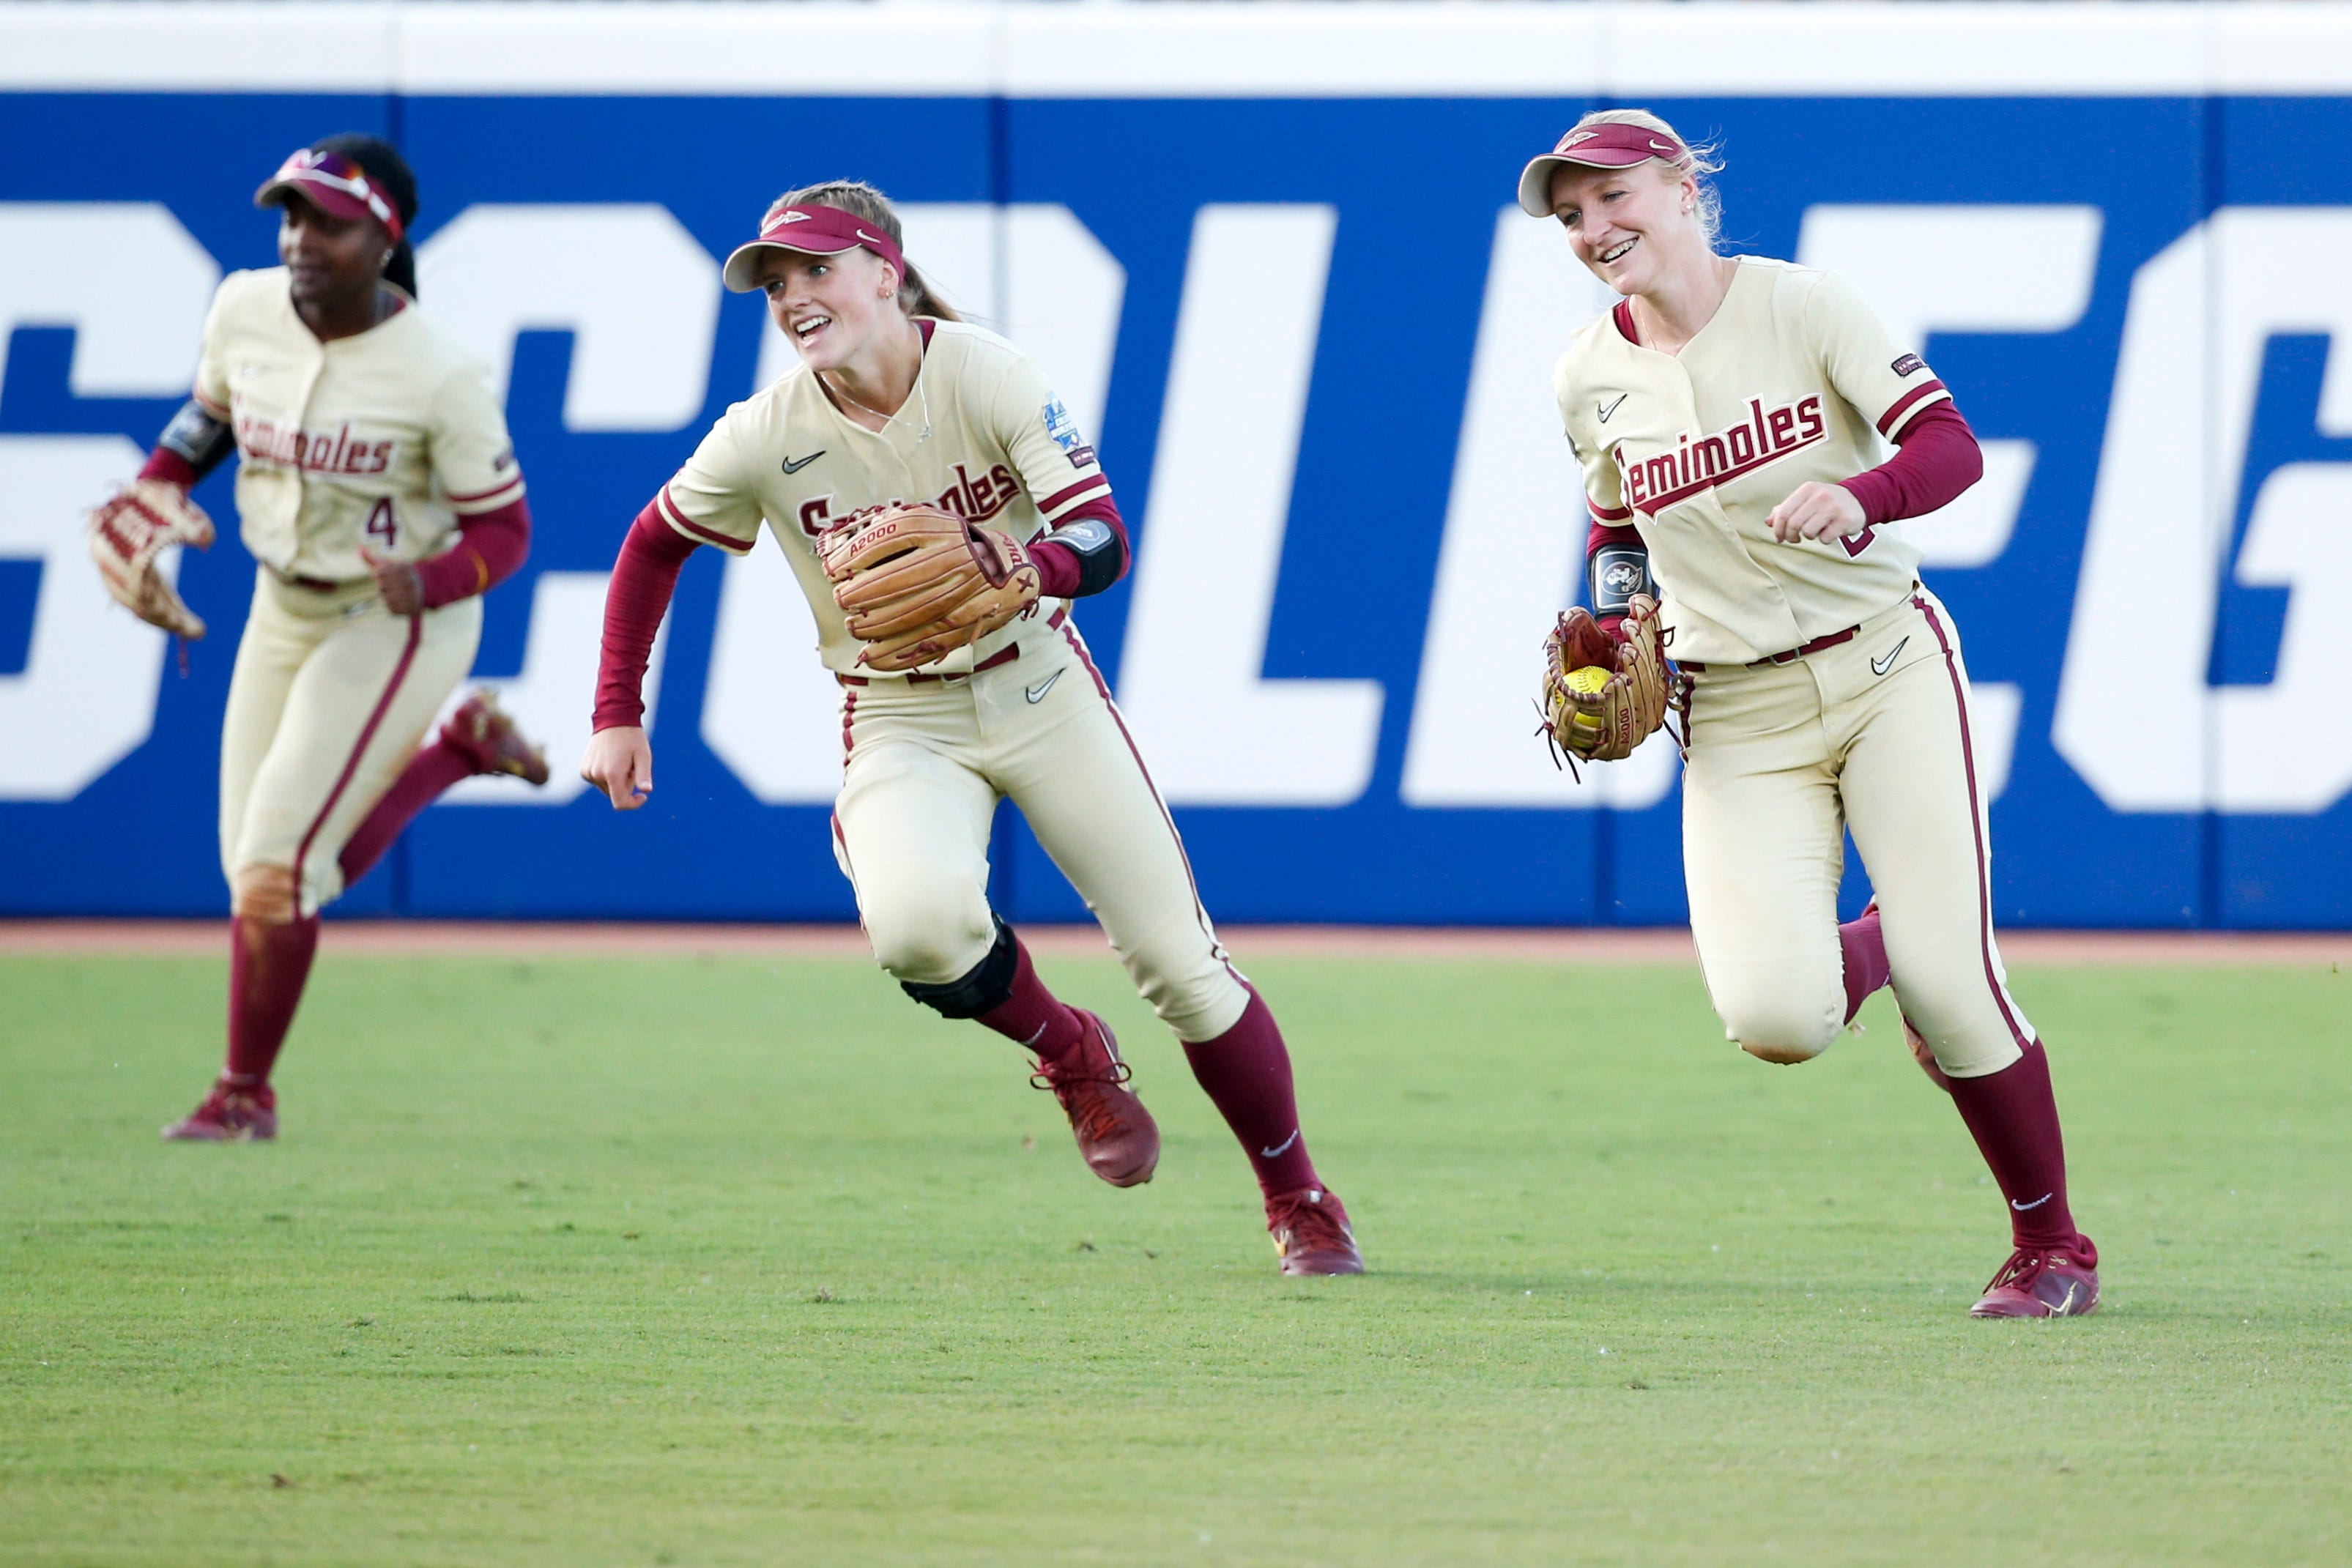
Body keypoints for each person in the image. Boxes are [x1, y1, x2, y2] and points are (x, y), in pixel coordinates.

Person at [580, 182, 1361, 1276]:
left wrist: (1017, 564)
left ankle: (1298, 1197)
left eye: (815, 269)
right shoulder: (767, 433)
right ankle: (1069, 1048)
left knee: (1184, 968)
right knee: (915, 929)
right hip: (900, 710)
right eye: (774, 281)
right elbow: (650, 542)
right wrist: (619, 709)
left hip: (1040, 682)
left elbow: (1101, 535)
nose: (792, 296)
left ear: (884, 273)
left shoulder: (984, 372)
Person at [1521, 111, 2098, 1317]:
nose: (1592, 229)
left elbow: (1952, 447)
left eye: (1612, 198)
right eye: (1569, 215)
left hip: (1886, 666)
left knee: (1958, 986)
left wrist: (1863, 494)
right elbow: (1618, 523)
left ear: (1684, 189)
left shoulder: (1804, 306)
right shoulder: (1589, 374)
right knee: (1778, 1018)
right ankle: (1884, 940)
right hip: (1735, 711)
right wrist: (1622, 620)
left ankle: (2051, 1246)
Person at [101, 136, 552, 1140]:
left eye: (328, 222)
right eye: (290, 216)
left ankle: (243, 1093)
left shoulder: (439, 373)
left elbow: (507, 531)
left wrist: (426, 579)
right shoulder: (244, 306)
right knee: (263, 869)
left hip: (395, 618)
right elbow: (209, 416)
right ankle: (460, 753)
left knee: (276, 867)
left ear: (384, 238)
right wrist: (157, 486)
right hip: (281, 601)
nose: (300, 240)